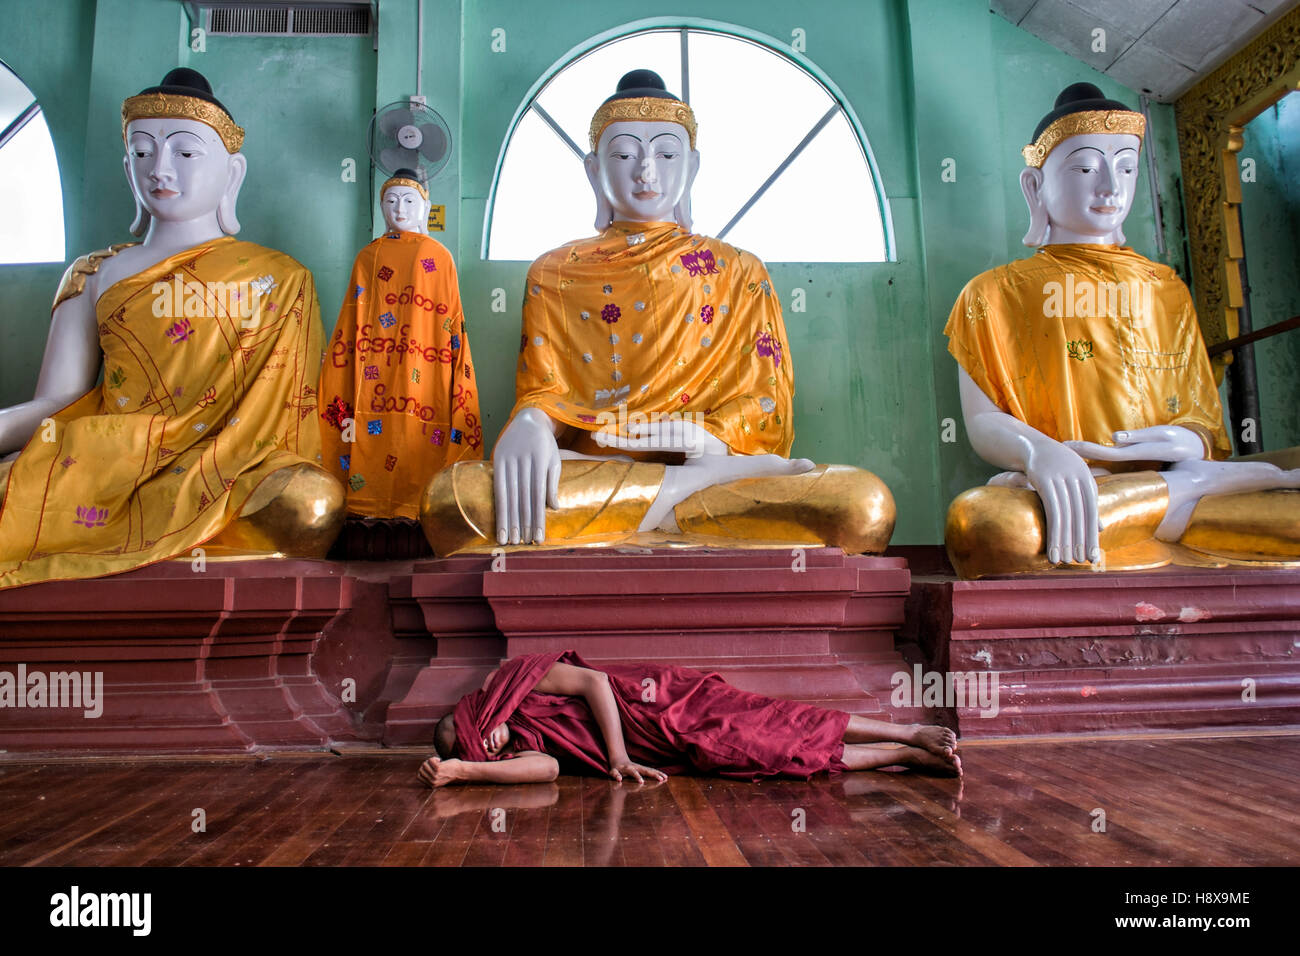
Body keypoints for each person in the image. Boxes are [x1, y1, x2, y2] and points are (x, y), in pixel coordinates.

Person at [420, 69, 894, 556]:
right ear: (593, 170)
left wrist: (702, 438)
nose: (646, 172)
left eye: (667, 155)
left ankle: (668, 495)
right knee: (455, 502)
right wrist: (532, 422)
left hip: (696, 468)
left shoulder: (737, 269)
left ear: (691, 167)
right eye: (624, 155)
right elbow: (546, 390)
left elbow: (766, 405)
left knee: (861, 506)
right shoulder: (555, 271)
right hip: (603, 467)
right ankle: (675, 499)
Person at [0, 68, 344, 588]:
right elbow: (57, 403)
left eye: (185, 153)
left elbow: (287, 420)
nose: (160, 169)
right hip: (101, 460)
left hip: (232, 466)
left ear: (232, 174)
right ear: (127, 166)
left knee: (308, 502)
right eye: (142, 153)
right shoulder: (94, 272)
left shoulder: (279, 278)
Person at [944, 82, 1300, 579]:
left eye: (1128, 167)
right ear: (1034, 187)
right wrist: (1038, 450)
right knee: (988, 525)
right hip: (1067, 491)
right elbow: (983, 422)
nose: (1111, 187)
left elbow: (1202, 418)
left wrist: (1188, 444)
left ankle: (1183, 493)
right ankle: (1197, 489)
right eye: (1087, 168)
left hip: (1163, 493)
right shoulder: (993, 293)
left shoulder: (1165, 287)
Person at [416, 650, 961, 787]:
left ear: (475, 712)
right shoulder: (514, 750)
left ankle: (906, 730)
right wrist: (466, 772)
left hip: (662, 702)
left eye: (482, 738)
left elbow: (594, 682)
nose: (495, 747)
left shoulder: (508, 680)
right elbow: (549, 770)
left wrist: (619, 756)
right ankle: (905, 756)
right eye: (486, 753)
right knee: (765, 752)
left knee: (775, 718)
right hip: (666, 746)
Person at [318, 167, 481, 519]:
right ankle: (365, 508)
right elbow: (354, 316)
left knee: (420, 436)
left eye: (409, 201)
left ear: (426, 207)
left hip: (426, 361)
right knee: (370, 434)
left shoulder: (438, 257)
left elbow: (451, 319)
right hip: (374, 360)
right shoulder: (368, 256)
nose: (399, 209)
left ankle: (426, 512)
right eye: (390, 201)